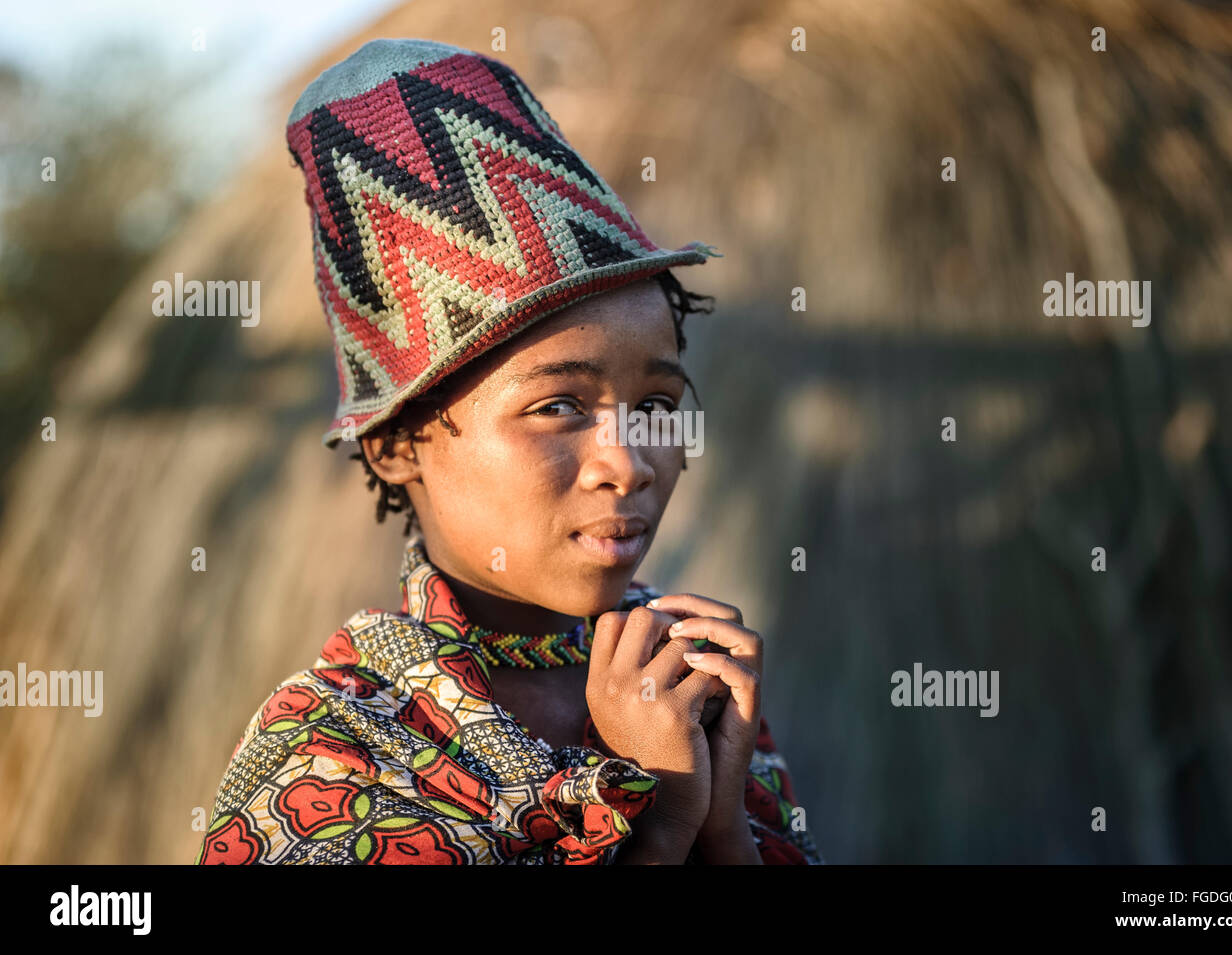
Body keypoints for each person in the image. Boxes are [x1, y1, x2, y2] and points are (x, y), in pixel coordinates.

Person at [196, 37, 820, 865]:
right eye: (557, 404)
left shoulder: (690, 686)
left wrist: (723, 828)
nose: (629, 461)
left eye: (658, 404)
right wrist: (662, 816)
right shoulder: (329, 764)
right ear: (393, 444)